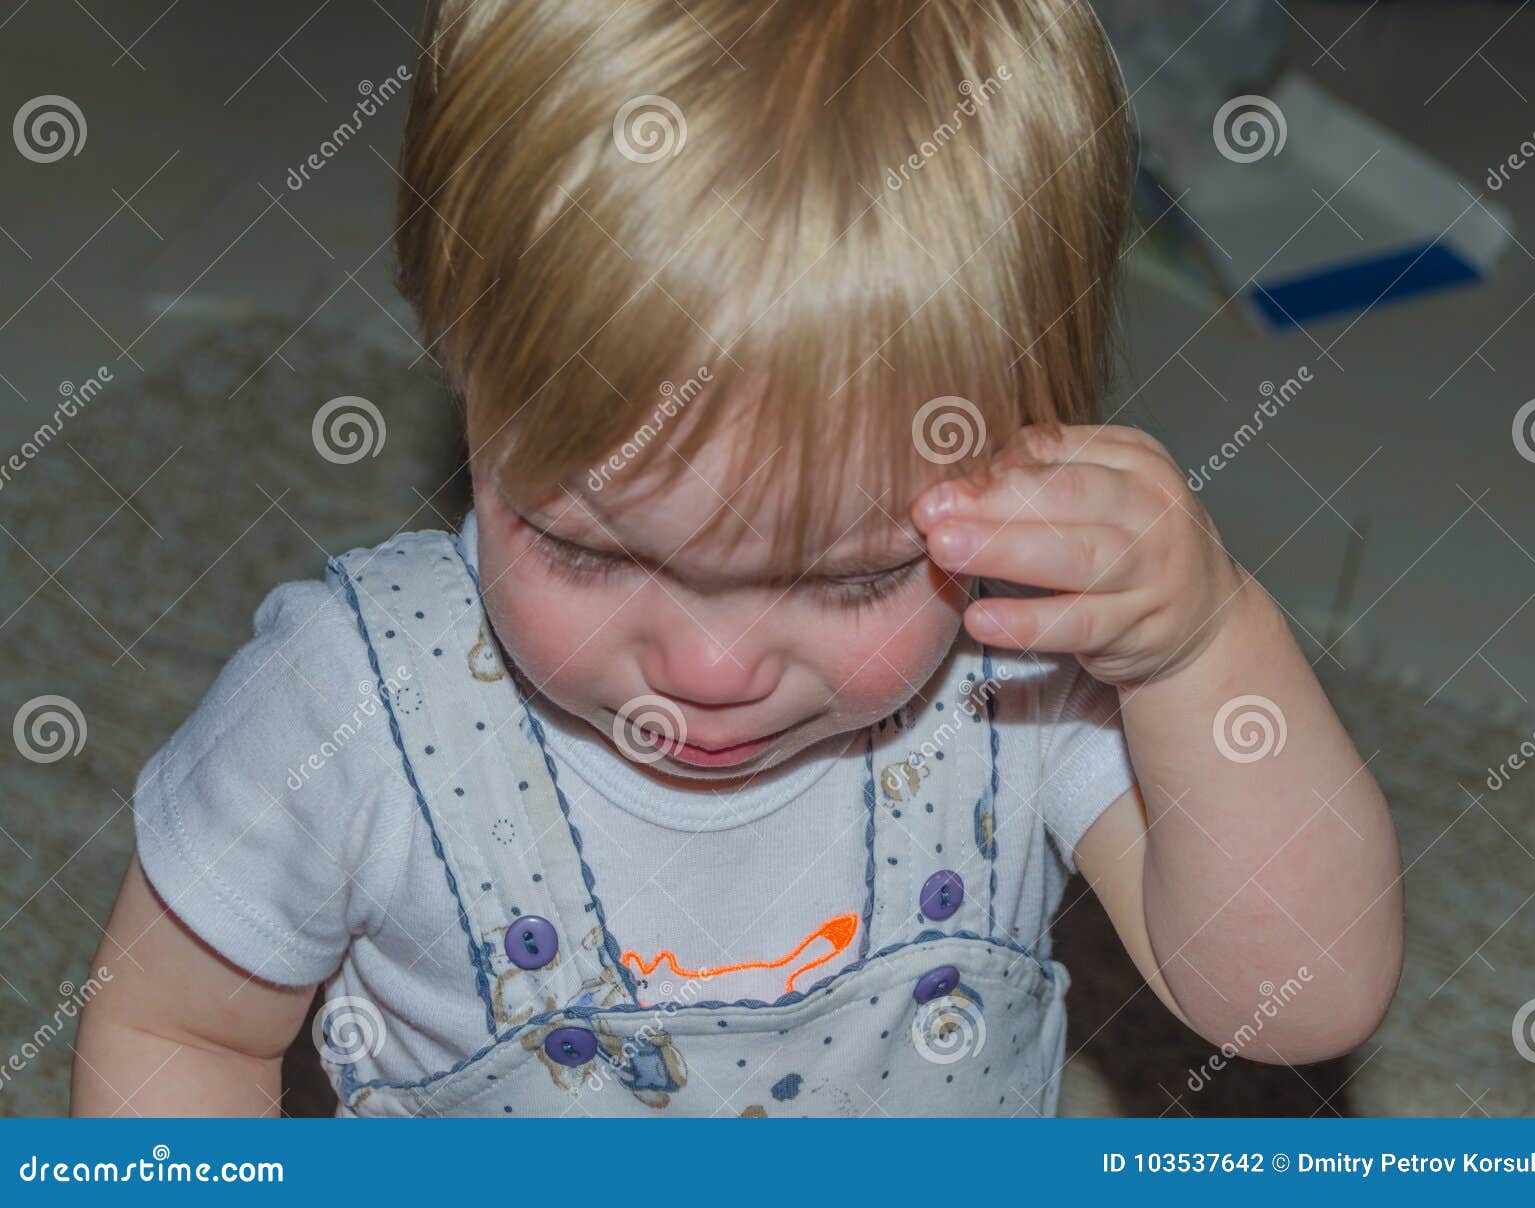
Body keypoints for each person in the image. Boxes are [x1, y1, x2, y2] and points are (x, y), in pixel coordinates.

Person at [72, 0, 1402, 1117]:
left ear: (1027, 450)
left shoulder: (1023, 671)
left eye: (850, 580)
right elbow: (178, 1034)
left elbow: (1299, 998)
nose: (709, 669)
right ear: (461, 361)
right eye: (590, 550)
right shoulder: (350, 711)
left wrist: (1203, 645)